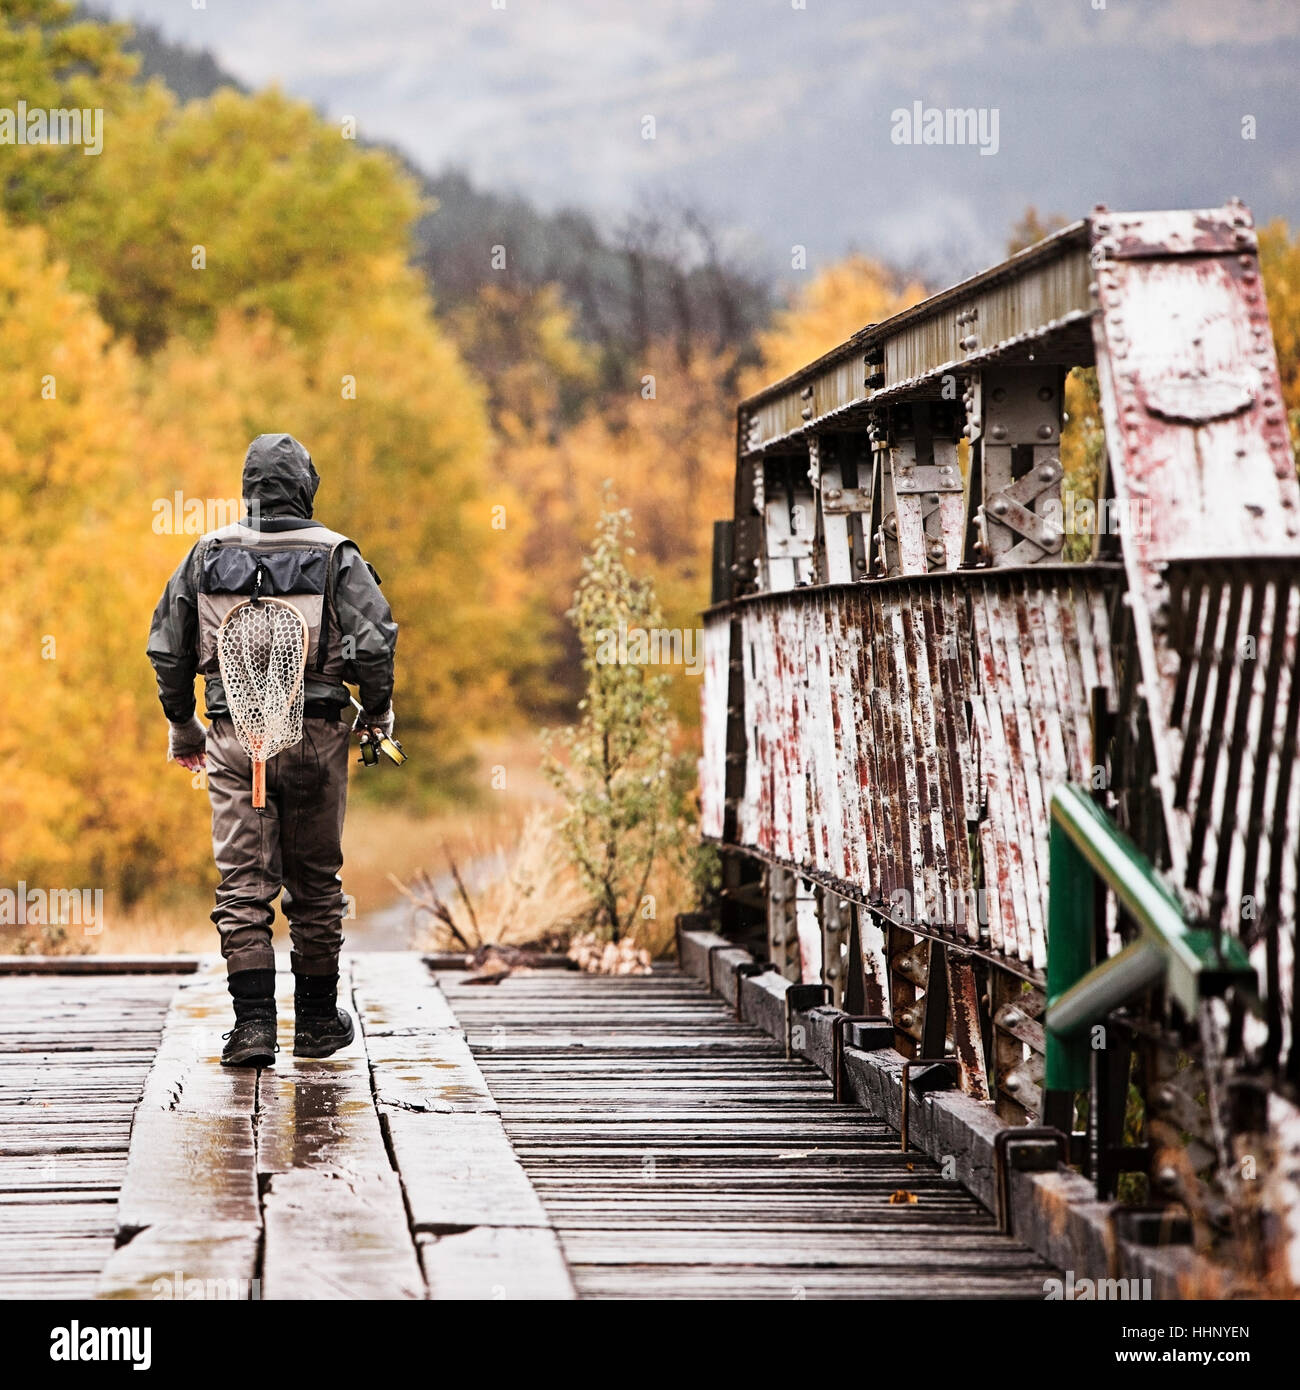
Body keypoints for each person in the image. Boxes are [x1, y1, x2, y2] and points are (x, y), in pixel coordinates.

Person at [146, 434, 398, 1066]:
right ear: (306, 487)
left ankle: (254, 1026)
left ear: (249, 487)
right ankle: (315, 1024)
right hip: (316, 736)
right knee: (315, 881)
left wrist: (183, 726)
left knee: (242, 882)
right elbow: (374, 645)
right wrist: (377, 709)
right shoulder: (338, 555)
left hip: (234, 740)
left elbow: (169, 648)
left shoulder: (206, 554)